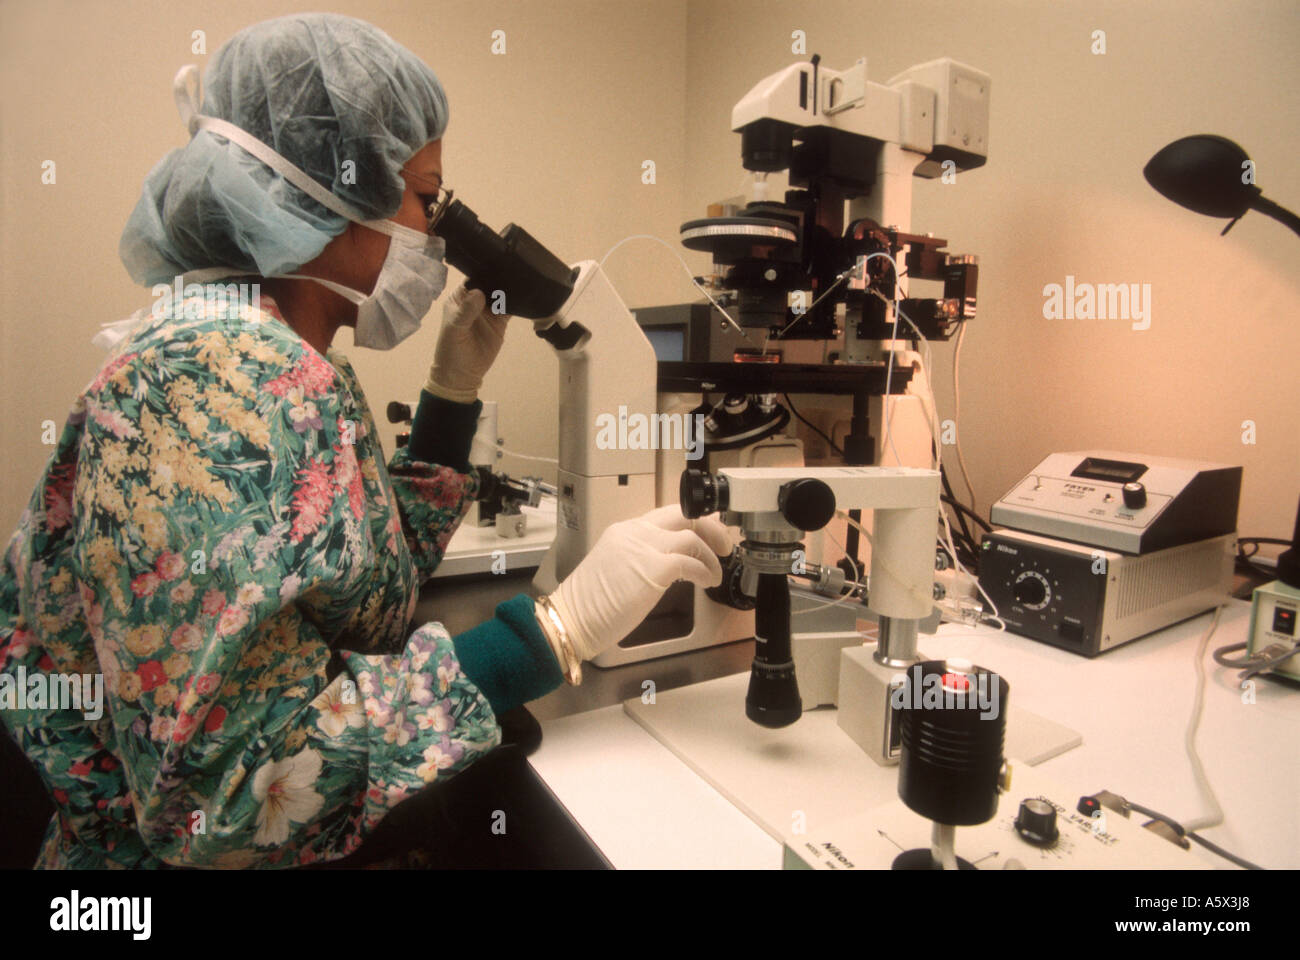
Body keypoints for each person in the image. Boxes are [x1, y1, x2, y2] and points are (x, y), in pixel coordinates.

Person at [0, 13, 729, 869]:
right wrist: (553, 636)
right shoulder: (211, 386)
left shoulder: (271, 358)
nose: (437, 235)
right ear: (320, 195)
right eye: (428, 200)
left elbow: (361, 590)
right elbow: (229, 799)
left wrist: (451, 398)